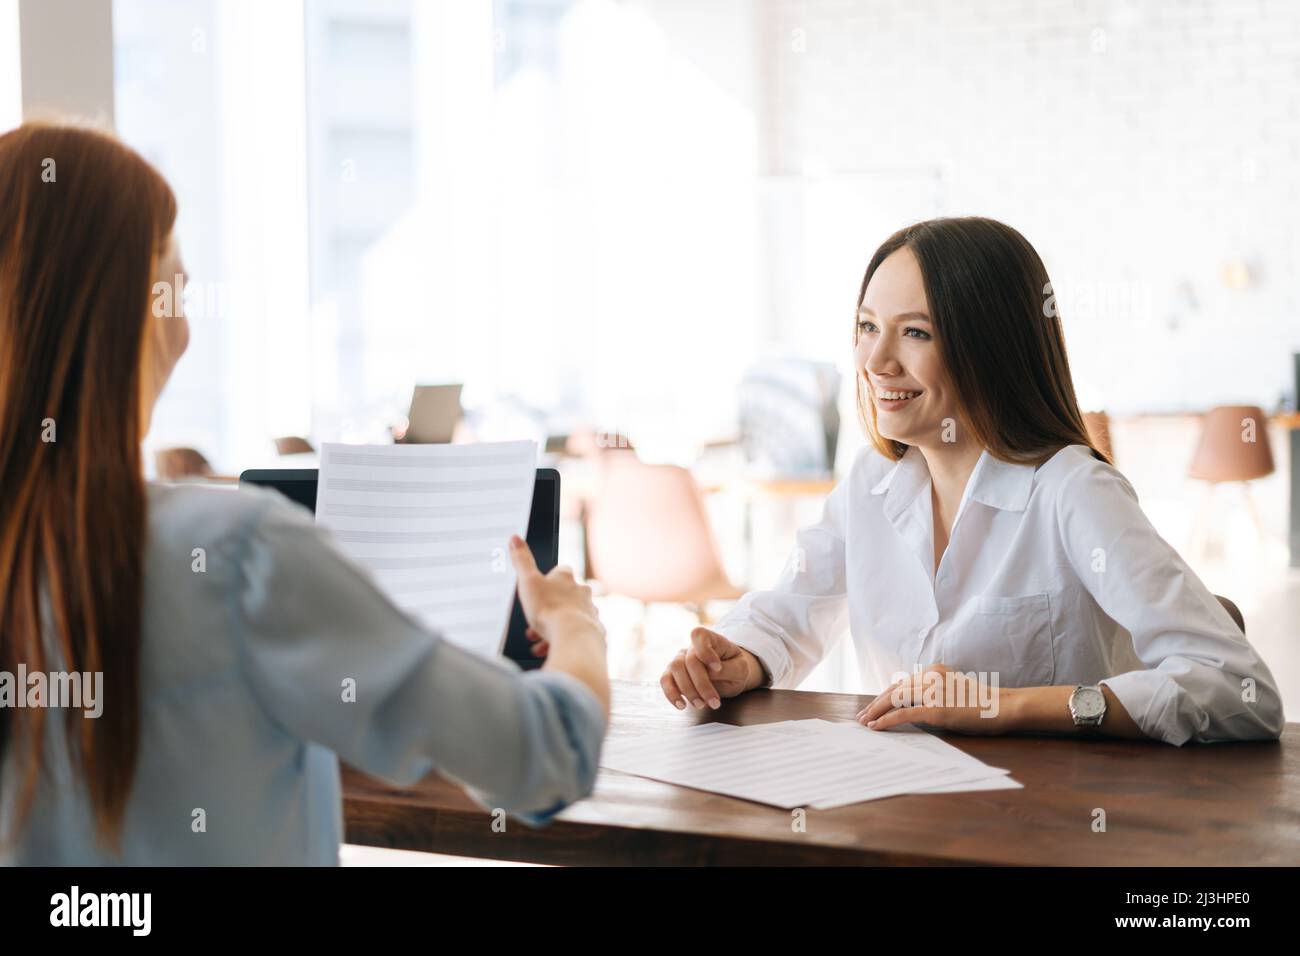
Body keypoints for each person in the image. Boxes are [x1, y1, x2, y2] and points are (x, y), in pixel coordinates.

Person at [0, 121, 609, 864]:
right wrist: (575, 628)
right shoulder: (234, 554)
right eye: (177, 288)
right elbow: (542, 759)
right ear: (132, 318)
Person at [661, 216, 1283, 746]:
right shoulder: (870, 483)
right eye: (867, 326)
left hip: (1048, 824)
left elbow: (1238, 689)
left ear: (991, 349)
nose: (875, 362)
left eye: (915, 332)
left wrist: (1005, 705)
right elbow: (787, 616)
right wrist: (738, 659)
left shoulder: (1071, 490)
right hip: (900, 811)